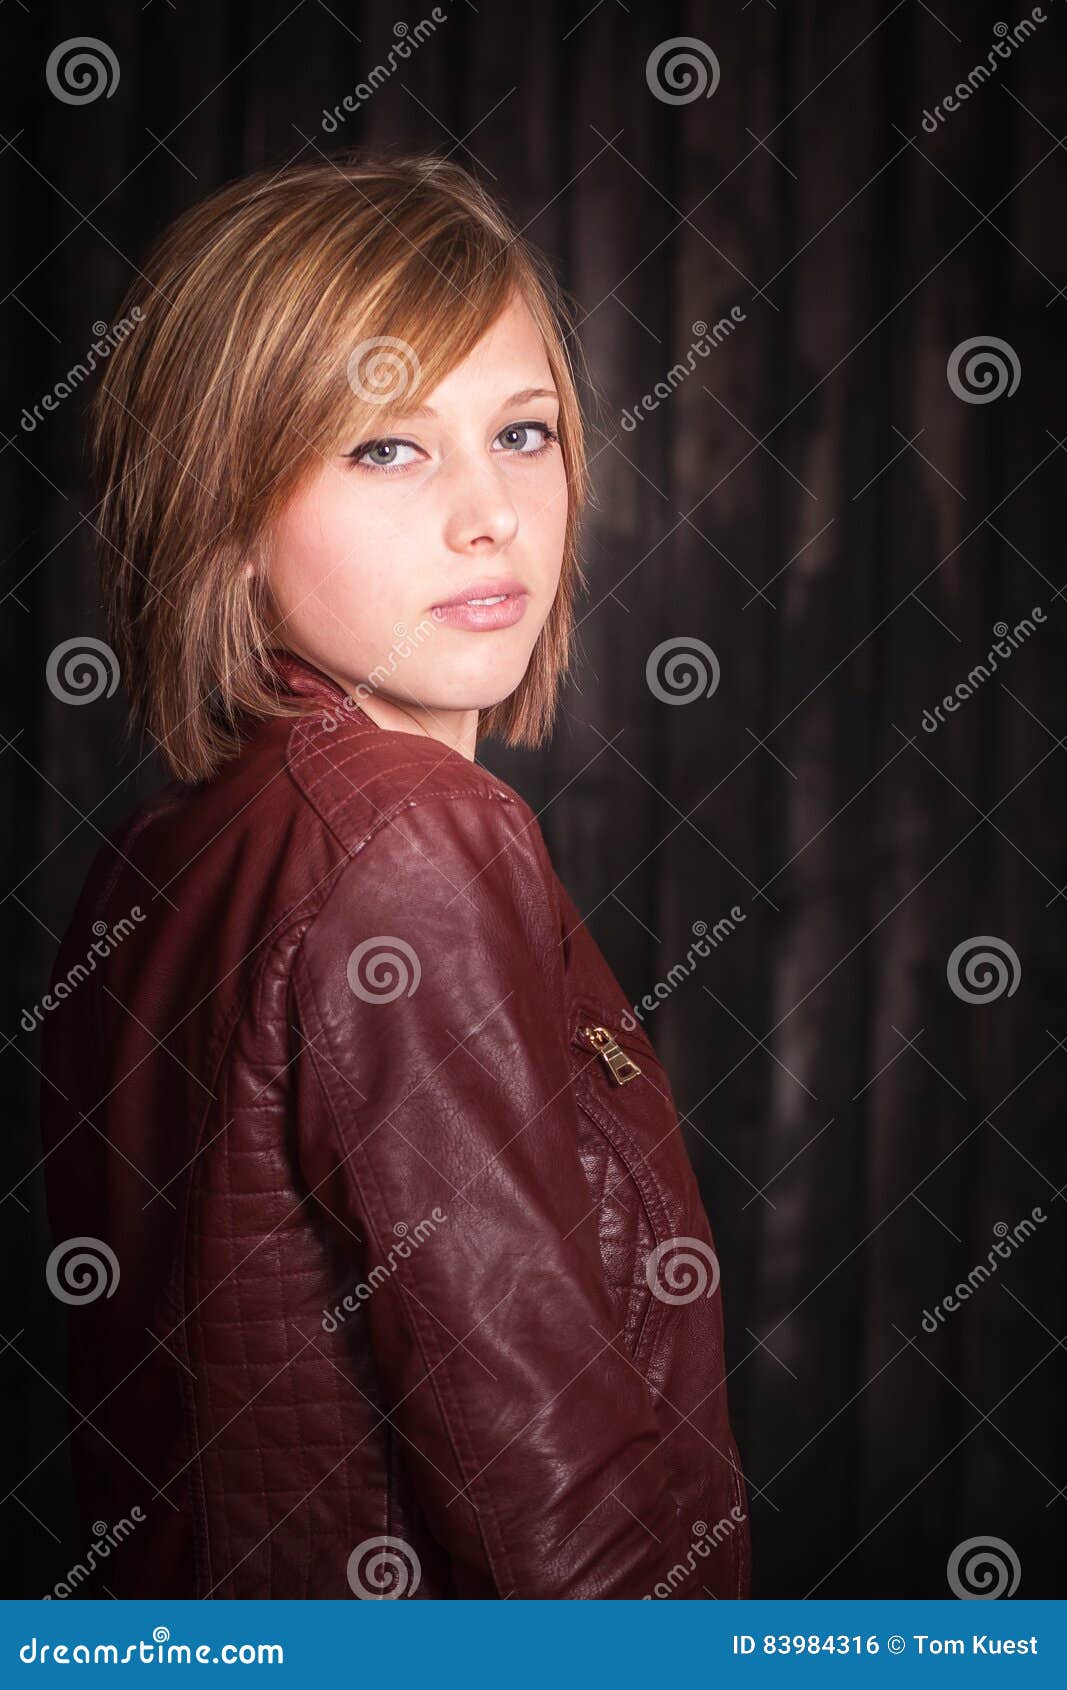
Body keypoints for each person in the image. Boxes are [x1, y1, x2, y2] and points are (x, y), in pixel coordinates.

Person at [38, 151, 751, 1600]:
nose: (492, 513)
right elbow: (566, 1553)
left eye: (524, 432)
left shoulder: (151, 854)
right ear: (228, 511)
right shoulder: (413, 837)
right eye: (388, 448)